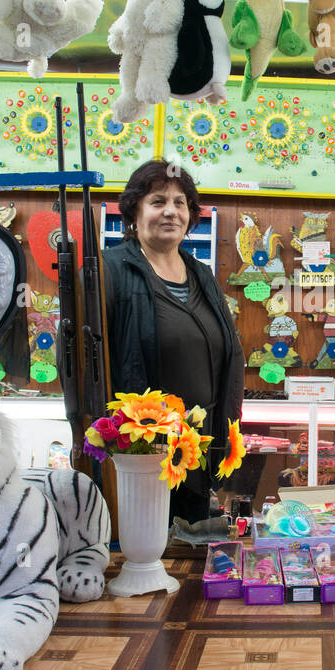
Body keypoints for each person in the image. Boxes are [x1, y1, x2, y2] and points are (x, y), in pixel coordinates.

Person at [103, 160, 244, 523]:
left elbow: (227, 351)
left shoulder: (201, 274)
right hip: (140, 457)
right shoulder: (110, 270)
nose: (171, 212)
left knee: (189, 563)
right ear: (134, 211)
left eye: (180, 203)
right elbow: (86, 363)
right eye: (158, 201)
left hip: (195, 456)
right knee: (141, 555)